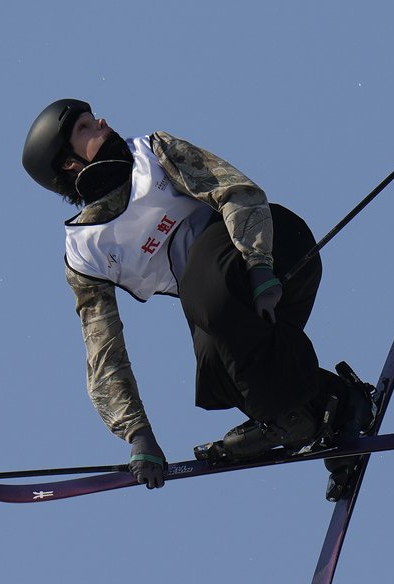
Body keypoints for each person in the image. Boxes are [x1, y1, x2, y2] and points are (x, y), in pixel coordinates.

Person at [20, 98, 371, 496]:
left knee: (204, 289)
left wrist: (258, 264)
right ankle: (329, 411)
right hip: (232, 310)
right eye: (85, 127)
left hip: (278, 252)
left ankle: (303, 411)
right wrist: (137, 433)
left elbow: (236, 191)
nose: (101, 120)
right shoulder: (87, 251)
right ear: (68, 162)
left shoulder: (153, 153)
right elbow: (104, 351)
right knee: (216, 371)